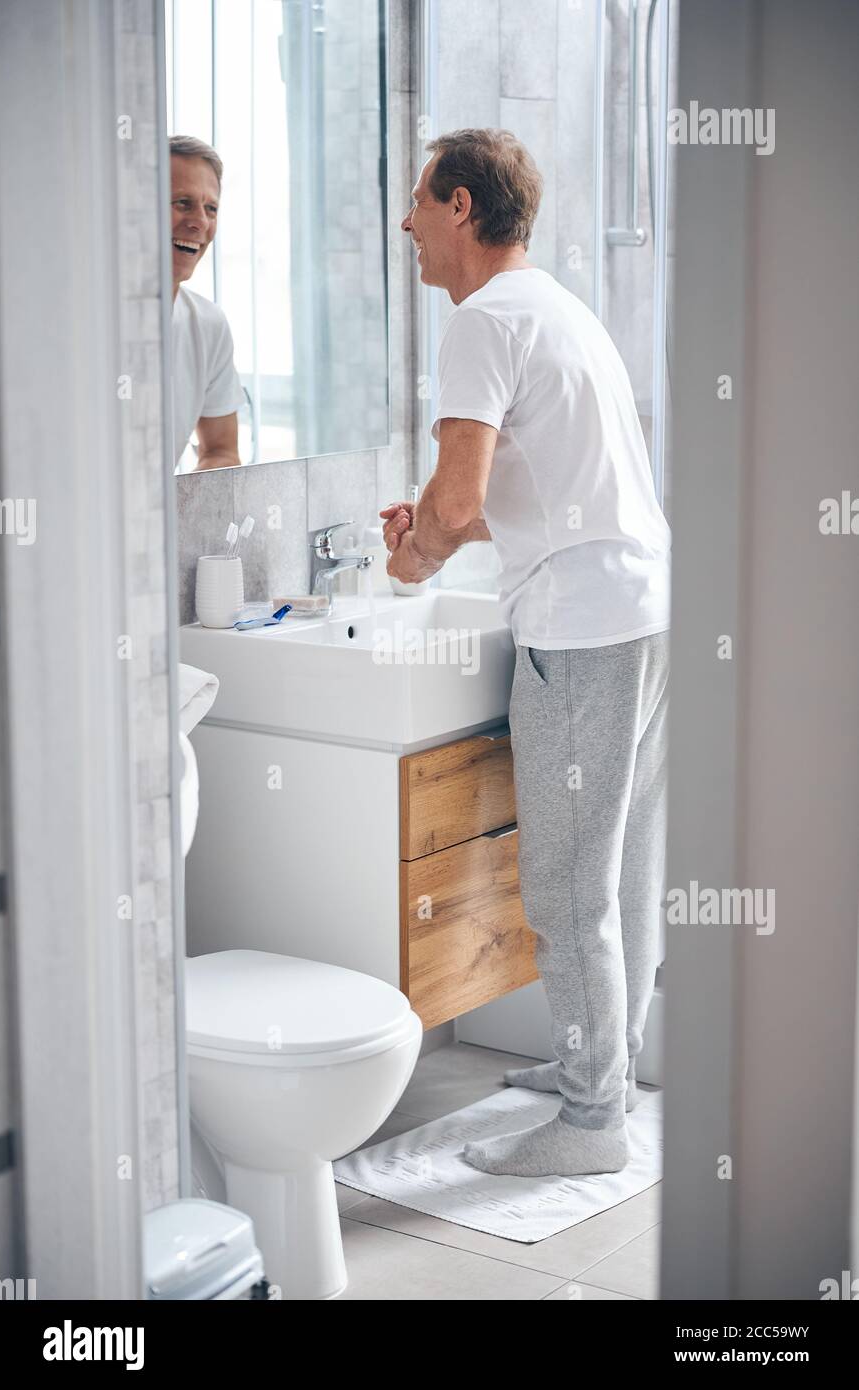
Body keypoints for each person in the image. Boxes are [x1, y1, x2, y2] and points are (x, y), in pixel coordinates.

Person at [382, 128, 671, 1179]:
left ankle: (591, 1122)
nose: (405, 224)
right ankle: (599, 1067)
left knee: (562, 887)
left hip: (582, 629)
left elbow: (455, 504)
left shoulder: (480, 319)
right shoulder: (554, 307)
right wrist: (437, 521)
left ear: (458, 207)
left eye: (416, 201)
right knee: (623, 871)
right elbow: (536, 486)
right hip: (643, 611)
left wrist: (414, 551)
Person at [169, 135, 244, 469]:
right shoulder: (80, 318)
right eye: (182, 202)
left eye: (210, 208)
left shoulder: (208, 325)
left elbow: (220, 452)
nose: (199, 221)